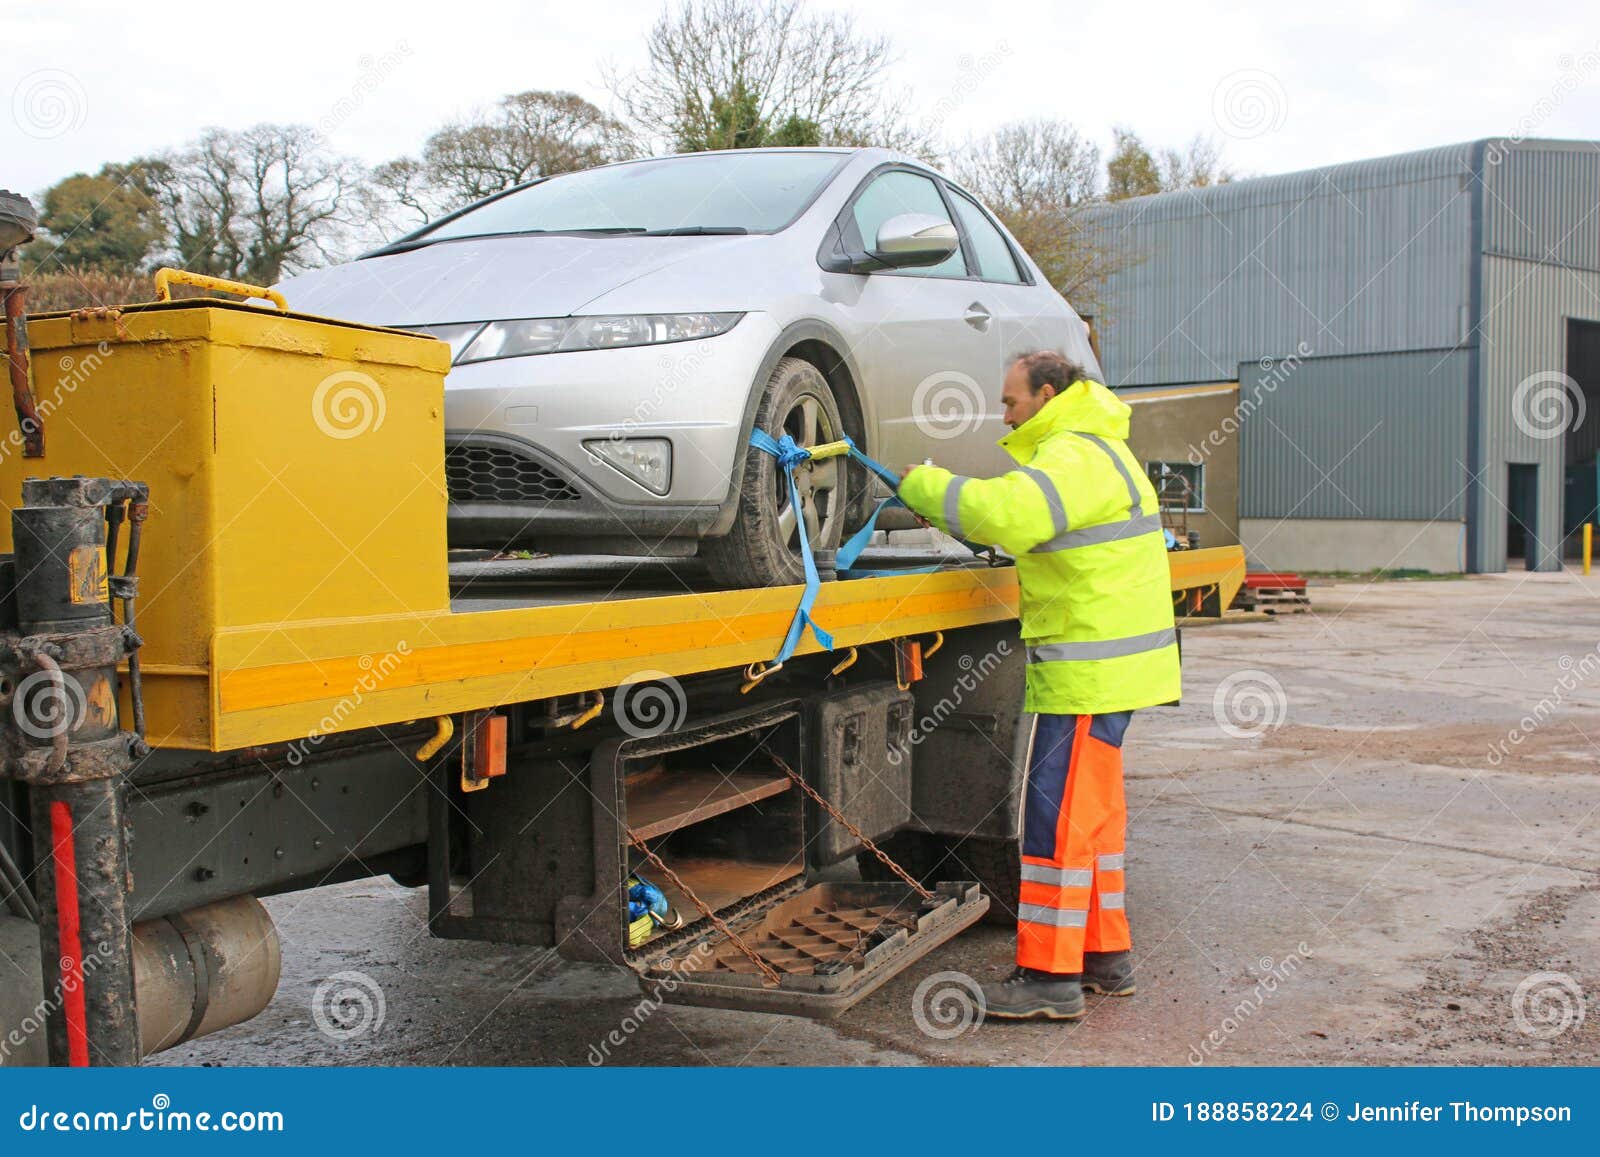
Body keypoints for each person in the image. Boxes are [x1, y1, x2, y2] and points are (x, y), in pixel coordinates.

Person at [898, 350, 1181, 1020]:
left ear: (1048, 394)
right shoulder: (1096, 449)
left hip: (1087, 674)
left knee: (1057, 827)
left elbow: (1014, 513)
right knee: (1094, 826)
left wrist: (929, 487)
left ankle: (1048, 978)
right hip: (1107, 672)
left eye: (1011, 401)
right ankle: (1104, 959)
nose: (1005, 414)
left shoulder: (1075, 453)